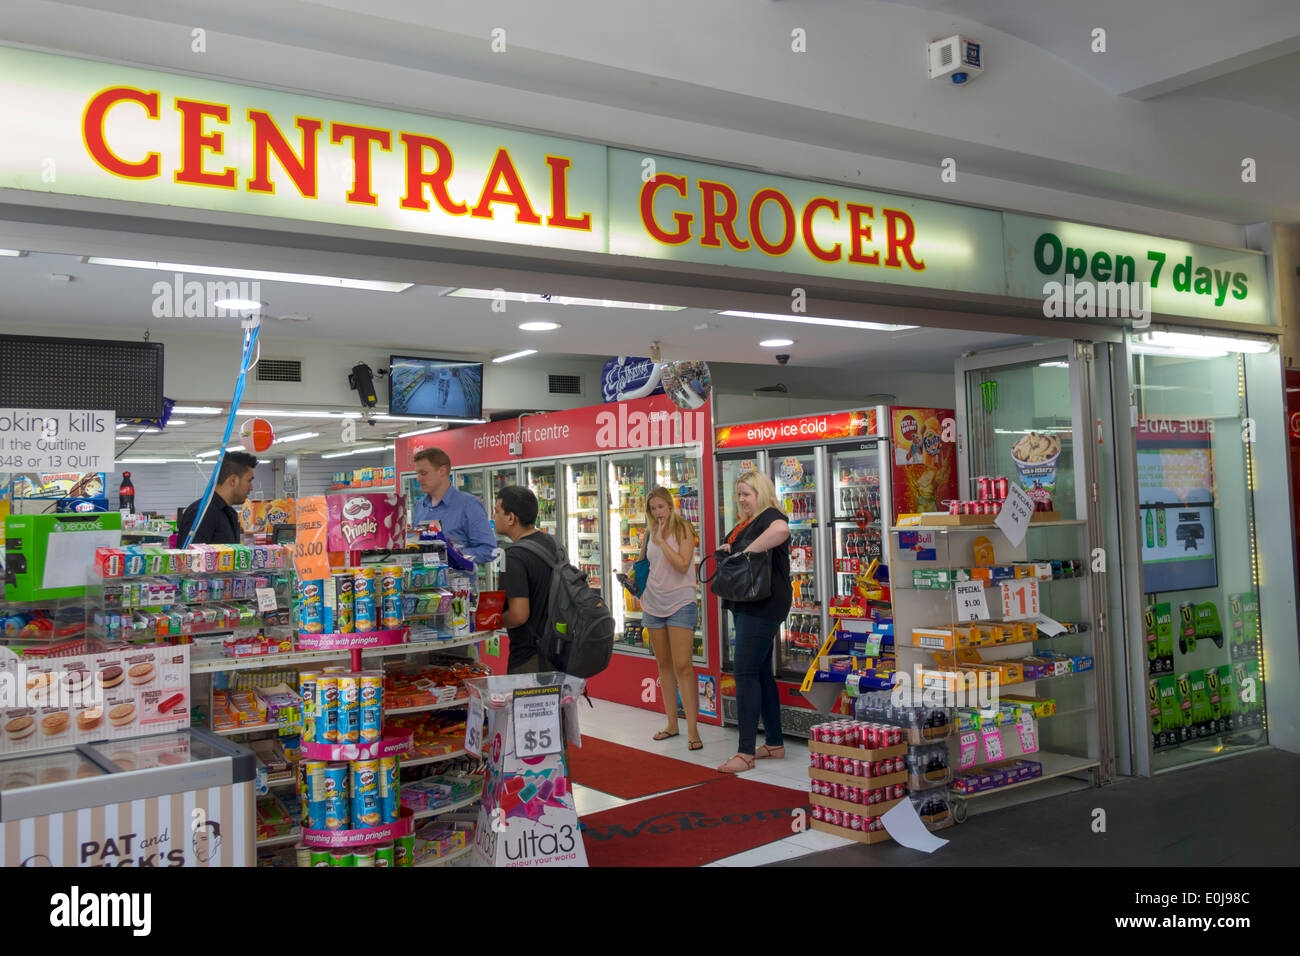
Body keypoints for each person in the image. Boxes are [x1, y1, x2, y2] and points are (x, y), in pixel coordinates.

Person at [715, 470, 792, 774]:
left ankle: (745, 753)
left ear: (760, 493)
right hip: (748, 604)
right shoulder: (745, 523)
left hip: (762, 607)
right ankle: (774, 743)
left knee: (745, 672)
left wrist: (745, 550)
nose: (742, 499)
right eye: (739, 494)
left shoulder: (770, 515)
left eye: (747, 493)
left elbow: (782, 530)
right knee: (761, 673)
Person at [637, 487, 702, 751]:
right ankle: (672, 725)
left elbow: (684, 564)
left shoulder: (683, 529)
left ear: (670, 507)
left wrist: (663, 540)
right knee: (663, 666)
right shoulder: (648, 533)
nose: (657, 513)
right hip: (652, 603)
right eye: (653, 509)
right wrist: (631, 579)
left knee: (683, 665)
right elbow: (643, 564)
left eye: (661, 507)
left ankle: (693, 731)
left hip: (681, 603)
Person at [496, 485, 559, 674]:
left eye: (497, 511)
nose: (494, 517)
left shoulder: (512, 556)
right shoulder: (553, 543)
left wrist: (493, 620)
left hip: (530, 658)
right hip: (559, 650)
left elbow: (519, 615)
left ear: (511, 517)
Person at [411, 447, 497, 563]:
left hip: (459, 579)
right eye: (417, 473)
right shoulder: (420, 506)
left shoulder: (469, 505)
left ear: (442, 471)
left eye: (423, 473)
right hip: (425, 579)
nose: (418, 479)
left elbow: (489, 551)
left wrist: (452, 555)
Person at [177, 451, 258, 545]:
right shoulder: (202, 513)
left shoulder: (229, 513)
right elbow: (193, 558)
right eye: (249, 481)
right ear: (233, 481)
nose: (251, 488)